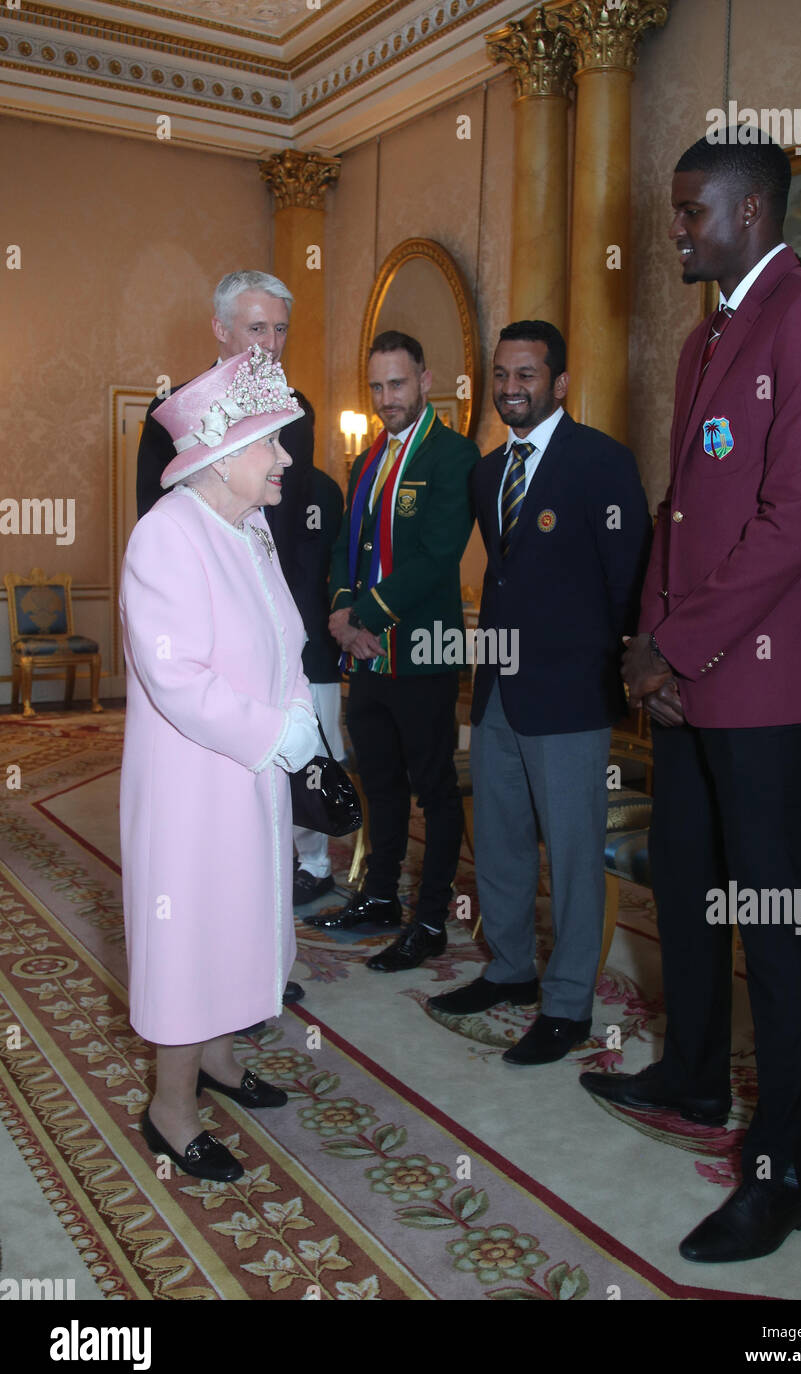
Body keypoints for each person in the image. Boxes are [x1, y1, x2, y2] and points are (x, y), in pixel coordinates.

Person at [582, 132, 801, 1261]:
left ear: (751, 213)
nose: (677, 229)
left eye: (691, 211)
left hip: (771, 681)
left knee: (780, 922)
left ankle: (787, 1170)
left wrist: (676, 647)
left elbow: (795, 524)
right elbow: (686, 510)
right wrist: (650, 642)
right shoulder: (714, 332)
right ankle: (697, 1074)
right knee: (692, 886)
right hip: (697, 676)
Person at [120, 345, 325, 1182]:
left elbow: (286, 636)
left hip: (250, 775)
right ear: (221, 453)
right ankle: (171, 1108)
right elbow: (178, 678)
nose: (284, 457)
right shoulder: (165, 537)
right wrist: (271, 734)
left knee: (241, 920)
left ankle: (218, 1062)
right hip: (192, 789)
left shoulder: (250, 526)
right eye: (272, 441)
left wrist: (301, 711)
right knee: (190, 936)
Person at [431, 321, 651, 1064]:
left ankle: (567, 1005)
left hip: (570, 696)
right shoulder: (487, 473)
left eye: (526, 375)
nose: (510, 389)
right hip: (497, 690)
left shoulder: (603, 464)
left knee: (575, 853)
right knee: (496, 842)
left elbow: (630, 582)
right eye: (501, 375)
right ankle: (510, 969)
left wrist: (625, 670)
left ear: (559, 382)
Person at [138, 270, 344, 924]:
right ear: (221, 330)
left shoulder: (299, 409)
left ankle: (269, 943)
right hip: (210, 643)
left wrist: (296, 631)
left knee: (280, 808)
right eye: (258, 328)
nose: (271, 343)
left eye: (281, 329)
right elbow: (164, 526)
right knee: (214, 833)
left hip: (277, 625)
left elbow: (297, 529)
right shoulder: (171, 414)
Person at [312, 331, 478, 972]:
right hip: (367, 656)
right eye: (377, 387)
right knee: (378, 783)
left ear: (425, 380)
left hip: (422, 654)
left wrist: (364, 615)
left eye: (398, 384)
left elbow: (437, 558)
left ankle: (430, 919)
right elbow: (344, 551)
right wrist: (342, 613)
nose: (386, 399)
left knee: (433, 790)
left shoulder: (454, 456)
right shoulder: (366, 460)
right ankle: (379, 896)